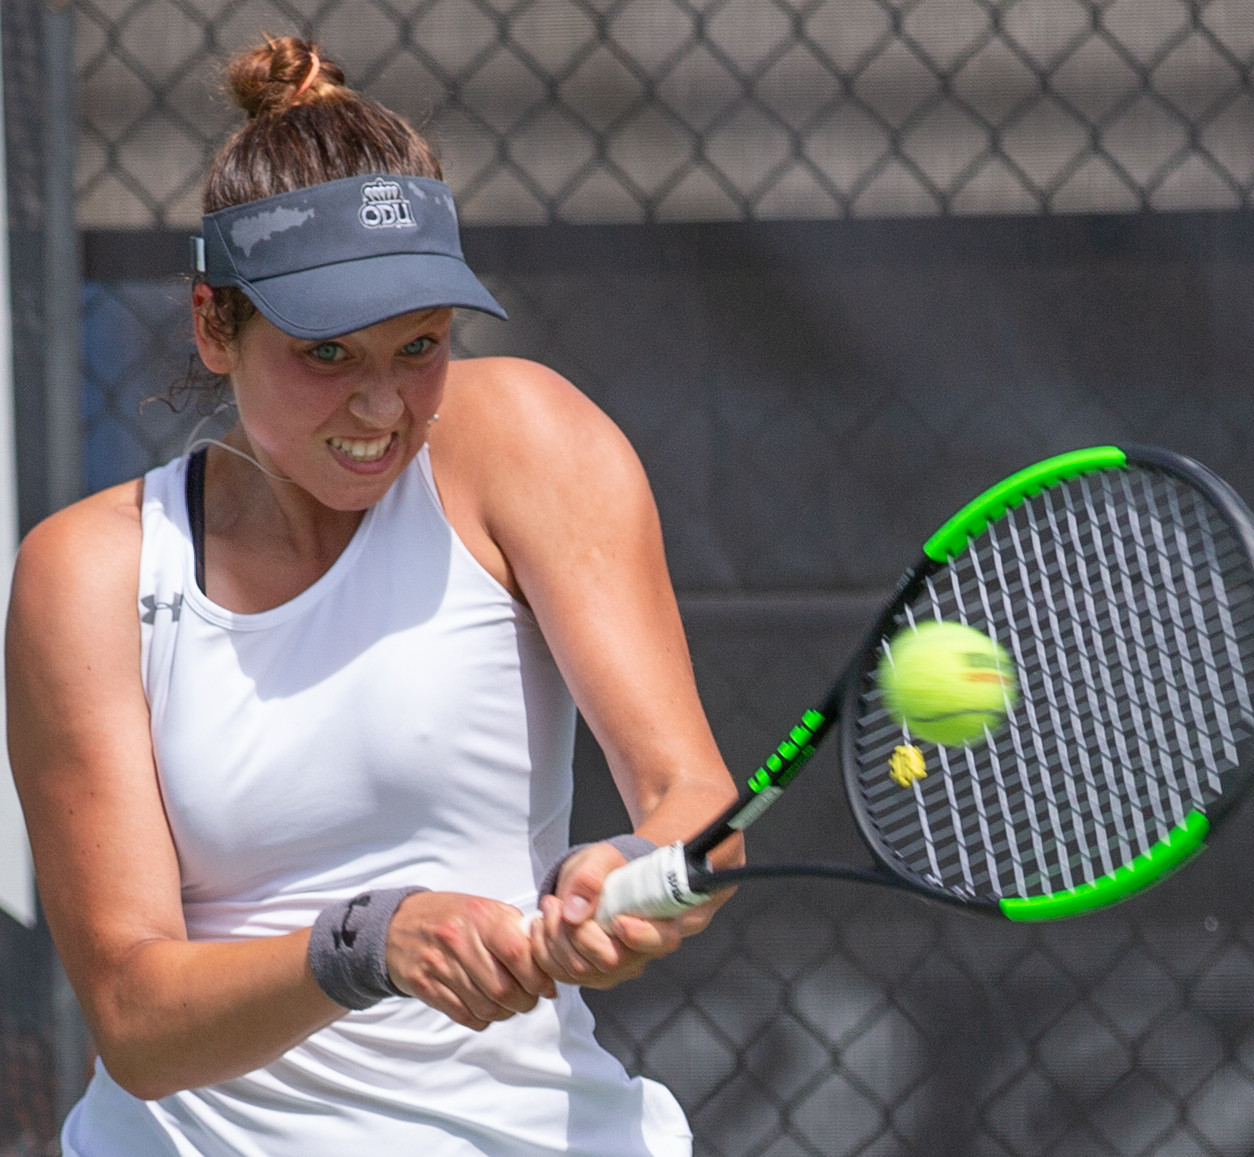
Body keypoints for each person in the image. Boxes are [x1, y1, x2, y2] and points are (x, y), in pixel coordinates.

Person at [7, 35, 739, 1156]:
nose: (384, 406)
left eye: (422, 345)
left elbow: (696, 803)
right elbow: (138, 1020)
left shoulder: (523, 438)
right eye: (328, 353)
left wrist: (639, 878)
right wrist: (364, 945)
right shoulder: (89, 572)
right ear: (216, 325)